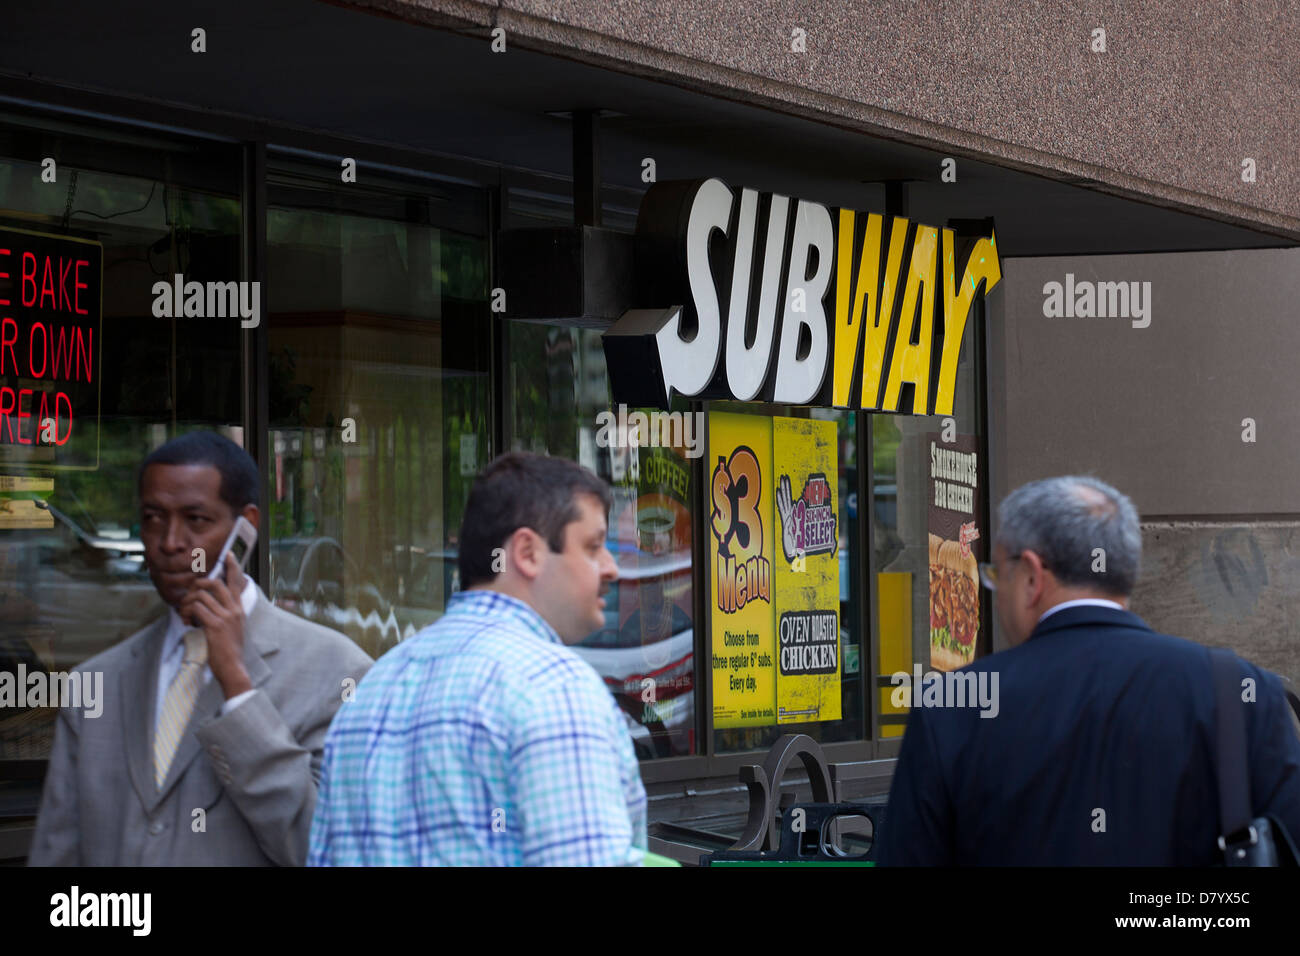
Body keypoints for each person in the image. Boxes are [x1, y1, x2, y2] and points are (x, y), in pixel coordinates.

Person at [876, 475, 1300, 865]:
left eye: (995, 574)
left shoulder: (952, 707)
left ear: (1031, 575)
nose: (995, 592)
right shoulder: (1239, 691)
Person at [28, 431, 373, 865]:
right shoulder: (96, 682)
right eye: (153, 518)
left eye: (196, 520)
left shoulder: (338, 673)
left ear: (245, 527)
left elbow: (330, 850)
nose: (171, 542)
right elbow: (56, 854)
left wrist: (239, 692)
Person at [309, 451, 647, 866]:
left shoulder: (372, 689)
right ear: (527, 552)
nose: (611, 568)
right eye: (594, 546)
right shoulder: (554, 687)